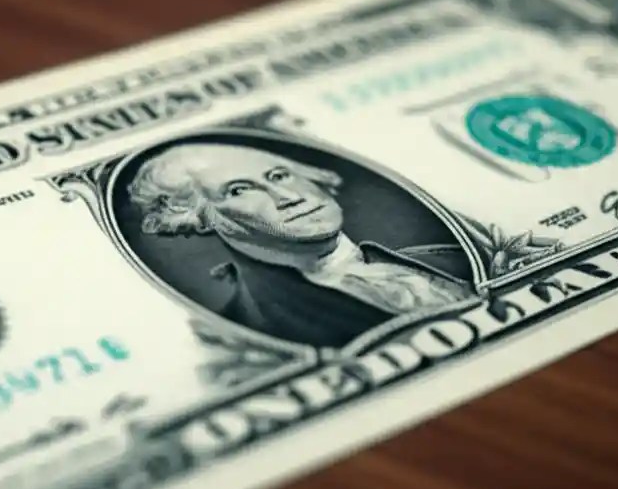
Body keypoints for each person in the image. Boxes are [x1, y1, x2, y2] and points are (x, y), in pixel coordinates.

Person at [127, 142, 475, 347]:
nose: (287, 196)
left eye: (279, 176)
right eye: (239, 190)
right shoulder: (254, 330)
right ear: (195, 217)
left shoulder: (451, 259)